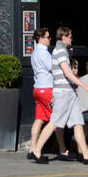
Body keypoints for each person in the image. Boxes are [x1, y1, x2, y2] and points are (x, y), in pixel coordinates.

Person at [31, 27, 88, 164]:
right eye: (70, 36)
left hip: (69, 91)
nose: (72, 39)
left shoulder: (62, 51)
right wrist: (84, 86)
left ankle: (86, 154)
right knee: (54, 122)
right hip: (62, 92)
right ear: (64, 37)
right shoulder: (60, 51)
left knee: (78, 123)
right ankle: (37, 150)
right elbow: (67, 73)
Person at [28, 27, 54, 160]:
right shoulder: (44, 53)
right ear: (41, 38)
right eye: (48, 37)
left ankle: (32, 148)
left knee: (39, 119)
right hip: (47, 89)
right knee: (55, 119)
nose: (50, 39)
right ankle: (38, 149)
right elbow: (53, 69)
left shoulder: (34, 52)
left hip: (37, 88)